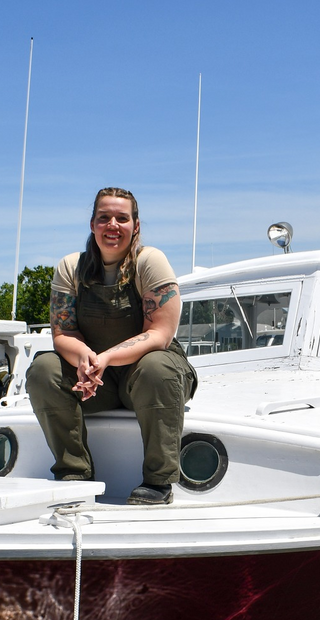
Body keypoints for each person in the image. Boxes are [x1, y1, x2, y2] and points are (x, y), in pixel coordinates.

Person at [26, 187, 197, 505]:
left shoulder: (150, 261)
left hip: (148, 377)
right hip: (96, 379)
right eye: (104, 218)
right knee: (42, 369)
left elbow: (160, 333)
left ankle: (159, 482)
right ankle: (74, 474)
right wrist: (86, 361)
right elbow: (63, 333)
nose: (113, 225)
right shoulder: (70, 267)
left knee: (157, 366)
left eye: (122, 218)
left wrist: (104, 358)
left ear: (136, 225)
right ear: (92, 224)